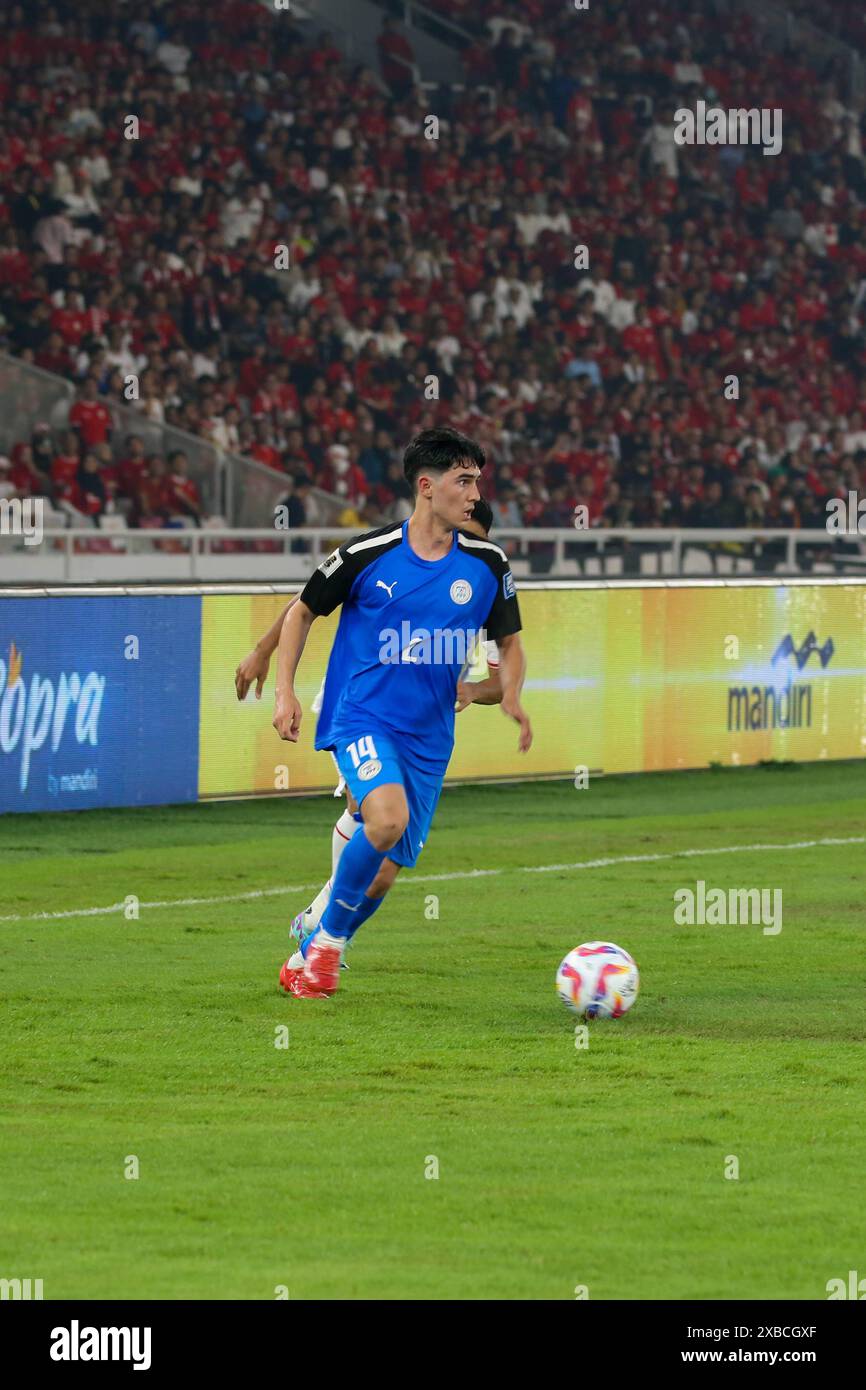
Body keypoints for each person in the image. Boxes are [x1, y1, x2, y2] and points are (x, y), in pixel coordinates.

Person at [271, 426, 531, 999]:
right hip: (362, 716)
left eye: (476, 482)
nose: (474, 494)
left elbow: (509, 643)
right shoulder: (368, 553)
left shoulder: (487, 564)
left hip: (429, 736)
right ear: (426, 486)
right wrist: (284, 690)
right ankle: (328, 954)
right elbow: (301, 611)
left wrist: (508, 693)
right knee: (383, 820)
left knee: (383, 871)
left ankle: (310, 942)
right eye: (464, 481)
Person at [235, 495, 505, 974]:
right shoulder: (387, 555)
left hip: (423, 728)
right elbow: (308, 600)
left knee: (382, 865)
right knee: (370, 809)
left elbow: (500, 685)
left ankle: (320, 941)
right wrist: (262, 652)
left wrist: (473, 688)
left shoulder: (481, 591)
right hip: (359, 706)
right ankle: (322, 921)